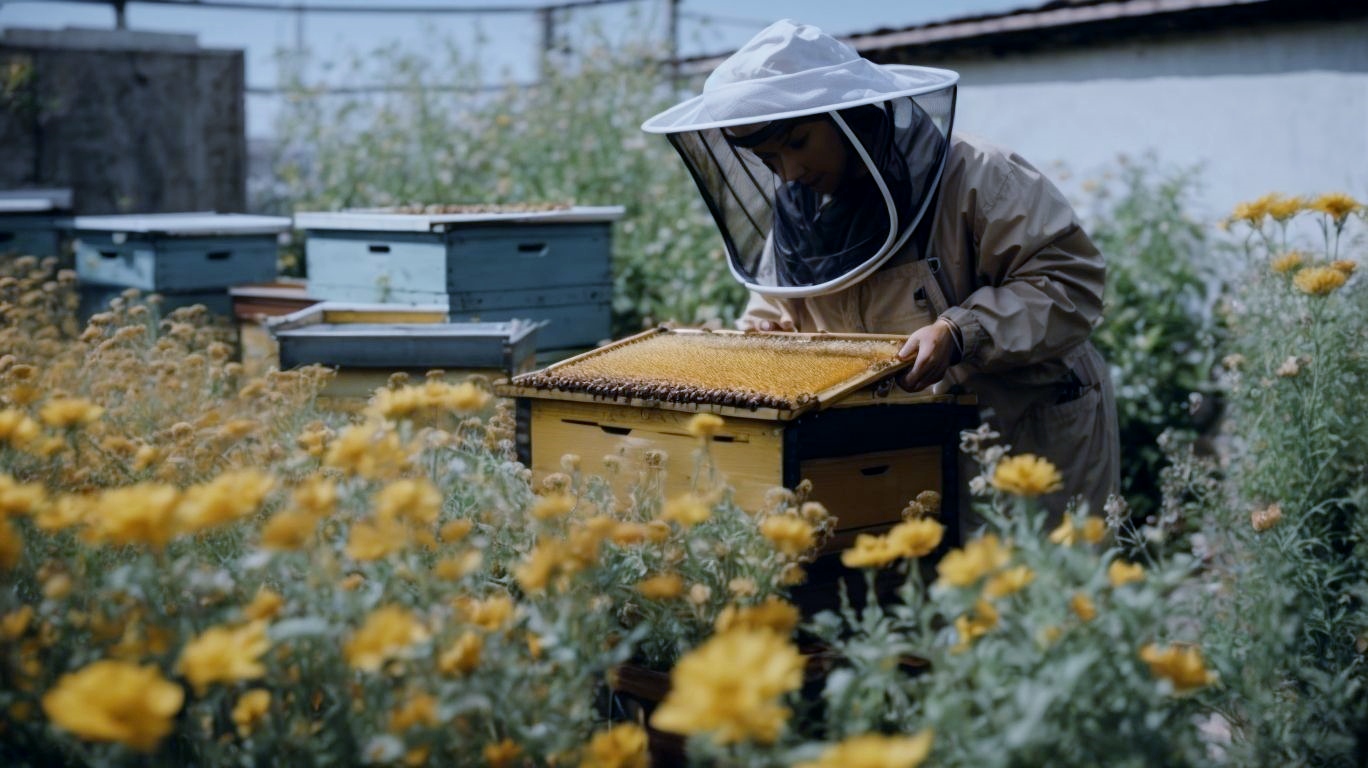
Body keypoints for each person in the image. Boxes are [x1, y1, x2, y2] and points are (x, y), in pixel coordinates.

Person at [642, 19, 1119, 518]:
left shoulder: (979, 175)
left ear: (851, 117)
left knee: (1040, 566)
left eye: (799, 142)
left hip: (1026, 430)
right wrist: (768, 343)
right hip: (901, 449)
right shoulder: (799, 214)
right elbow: (769, 312)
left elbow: (1068, 284)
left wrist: (963, 331)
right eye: (769, 158)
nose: (790, 172)